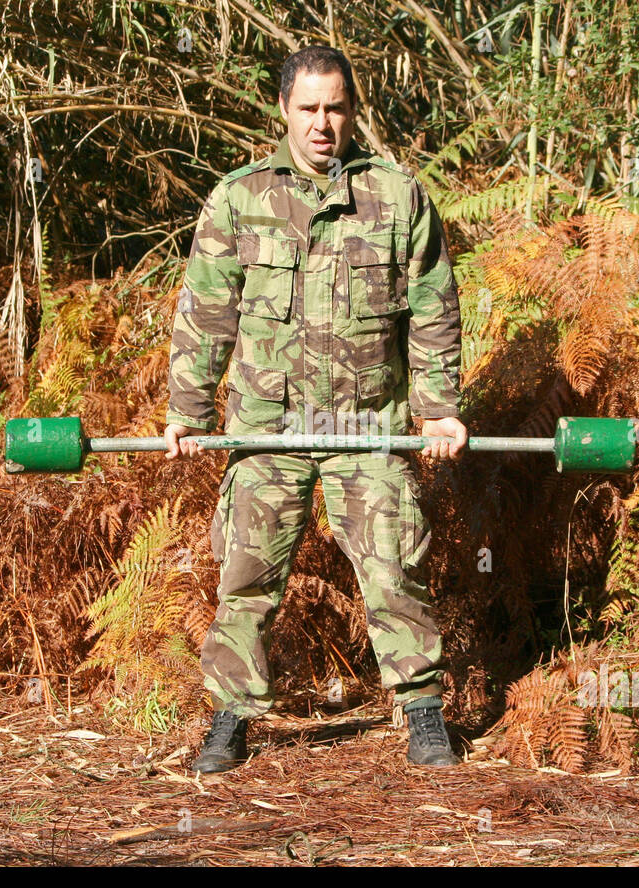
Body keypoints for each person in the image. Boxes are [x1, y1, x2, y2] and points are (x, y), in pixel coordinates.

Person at [164, 45, 467, 772]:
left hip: (368, 430)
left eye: (336, 107)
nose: (322, 123)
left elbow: (433, 309)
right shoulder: (240, 198)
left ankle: (423, 712)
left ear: (353, 111)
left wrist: (437, 409)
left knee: (395, 573)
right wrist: (187, 409)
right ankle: (231, 720)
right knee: (247, 577)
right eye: (309, 108)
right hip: (267, 429)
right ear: (284, 111)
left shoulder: (397, 198)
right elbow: (207, 314)